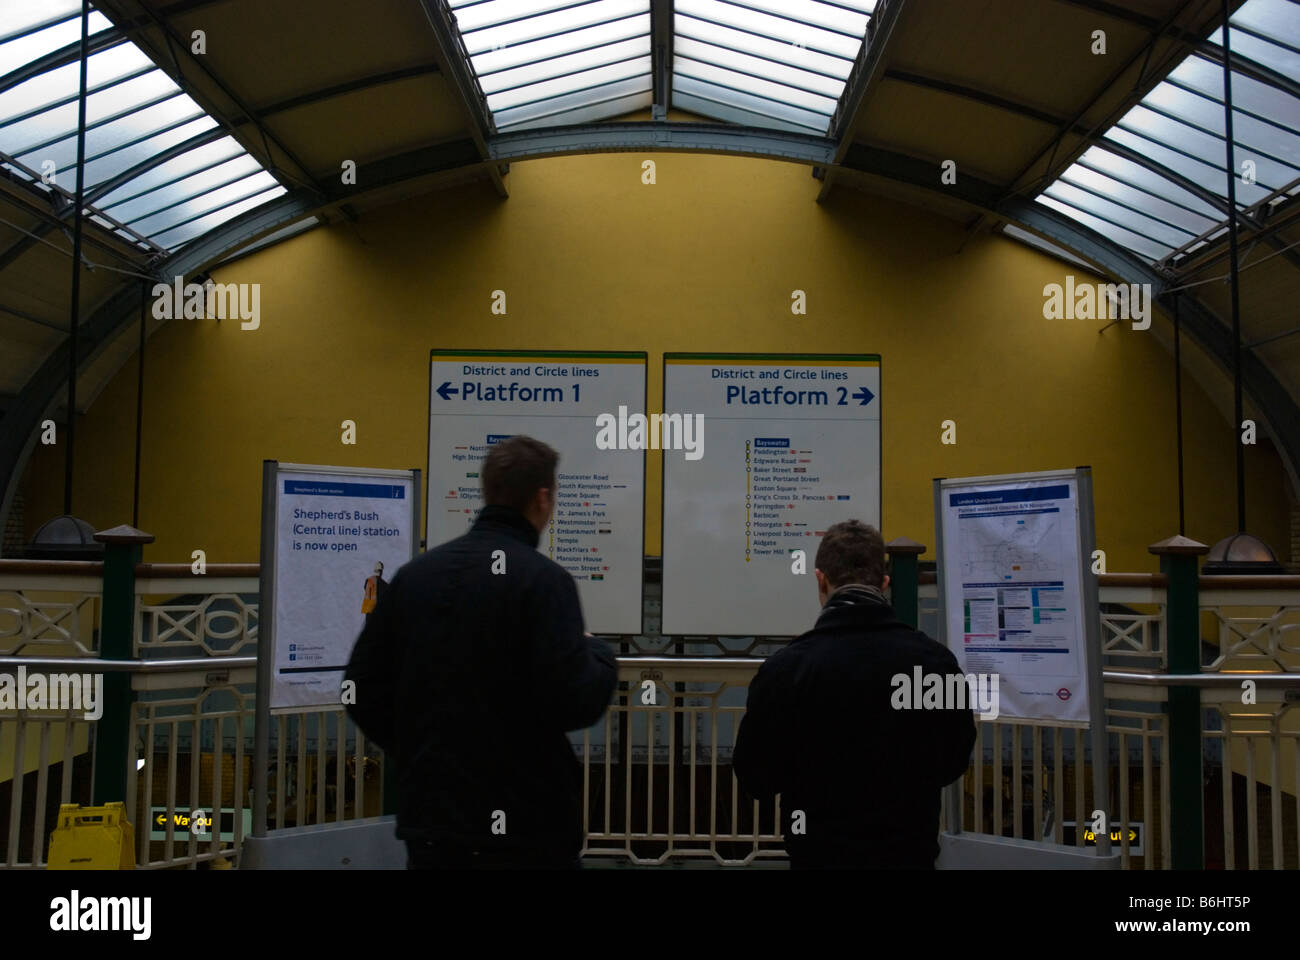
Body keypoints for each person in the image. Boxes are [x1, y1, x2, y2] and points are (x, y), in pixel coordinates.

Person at [344, 435, 616, 869]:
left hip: (434, 821)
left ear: (488, 491)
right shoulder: (544, 583)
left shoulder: (414, 577)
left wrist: (417, 748)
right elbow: (575, 703)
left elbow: (358, 687)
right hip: (528, 825)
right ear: (542, 498)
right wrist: (598, 653)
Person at [733, 519, 976, 869]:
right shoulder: (935, 663)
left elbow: (757, 777)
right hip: (909, 853)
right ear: (886, 584)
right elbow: (954, 760)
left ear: (821, 580)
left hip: (818, 854)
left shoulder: (786, 670)